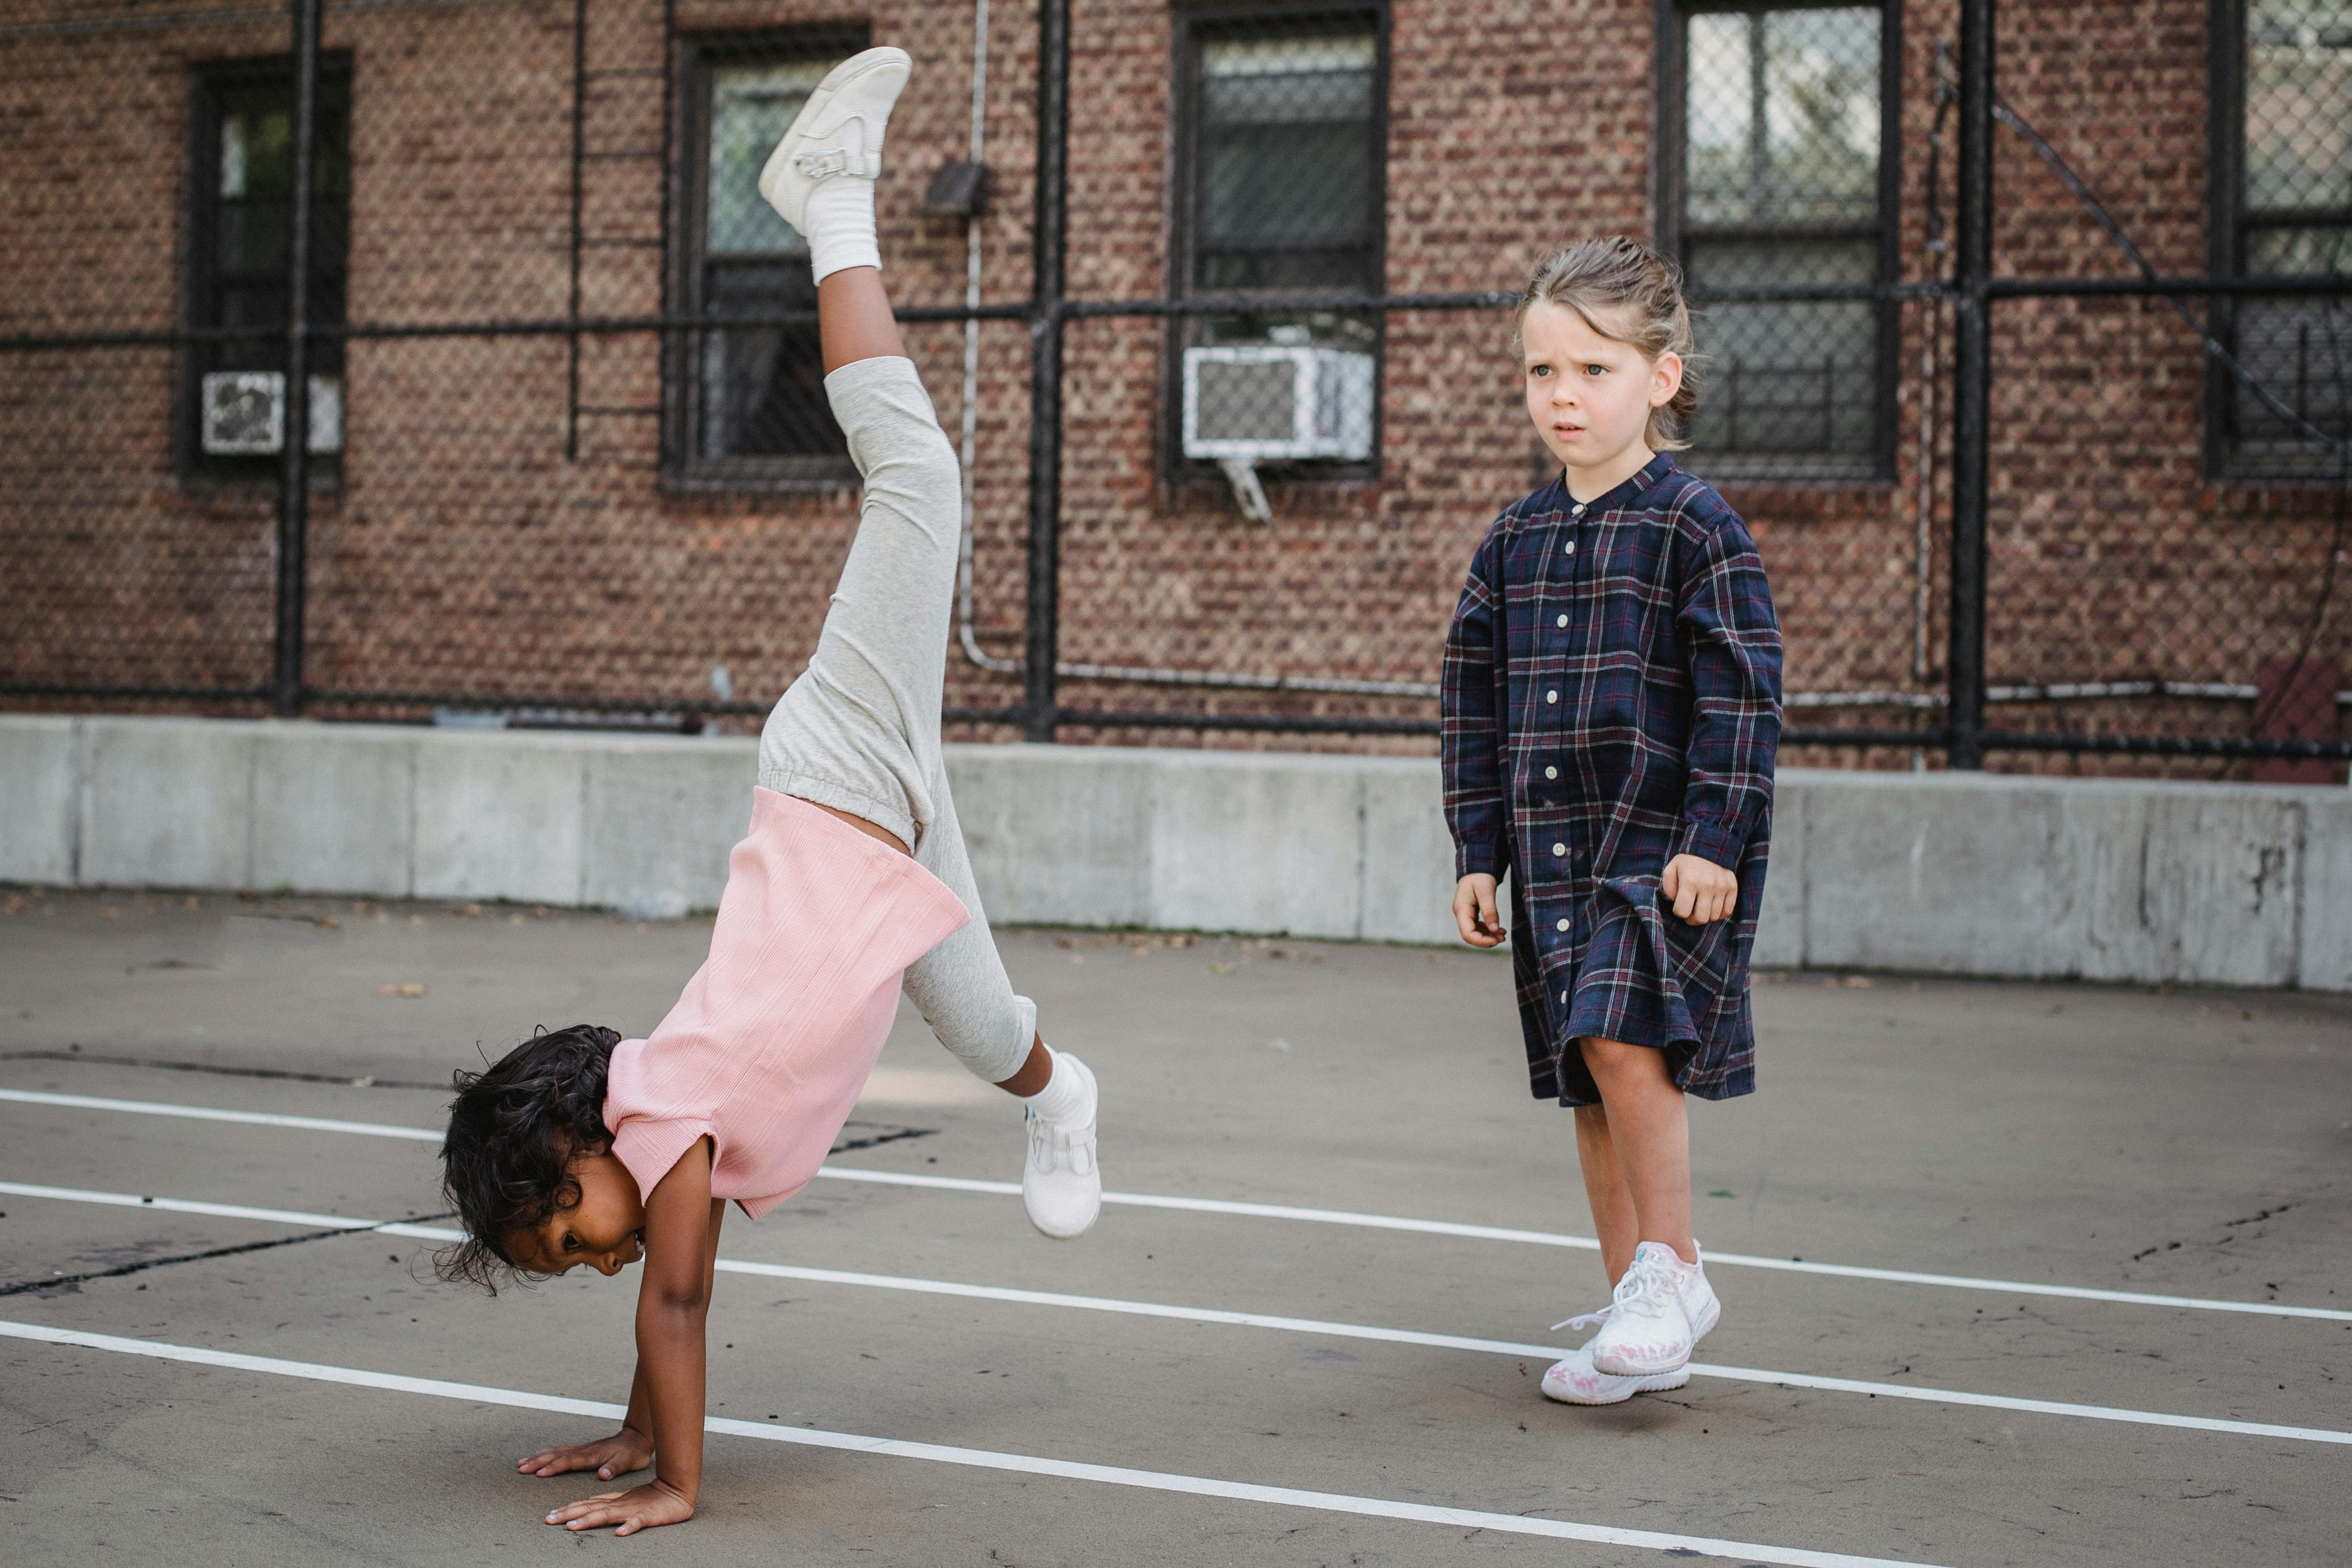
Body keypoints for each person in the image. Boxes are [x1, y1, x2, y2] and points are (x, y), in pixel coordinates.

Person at [432, 47, 1103, 1536]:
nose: (599, 1260)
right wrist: (624, 1431)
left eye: (567, 1235)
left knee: (919, 476)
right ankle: (1068, 1101)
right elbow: (659, 1300)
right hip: (885, 836)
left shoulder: (661, 1130)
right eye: (573, 1264)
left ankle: (831, 198)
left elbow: (676, 1308)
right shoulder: (663, 1138)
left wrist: (676, 1480)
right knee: (987, 1025)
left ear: (575, 1152)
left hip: (839, 777)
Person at [1441, 237, 1781, 1408]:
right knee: (1589, 1071)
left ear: (1662, 378)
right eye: (1543, 373)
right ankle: (1633, 1309)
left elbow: (1744, 691)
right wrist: (1475, 851)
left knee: (1628, 1044)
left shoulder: (1697, 529)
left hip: (1656, 846)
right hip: (1546, 850)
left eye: (1593, 369)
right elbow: (1472, 705)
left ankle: (1675, 1271)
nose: (1564, 396)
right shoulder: (1514, 541)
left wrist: (1714, 841)